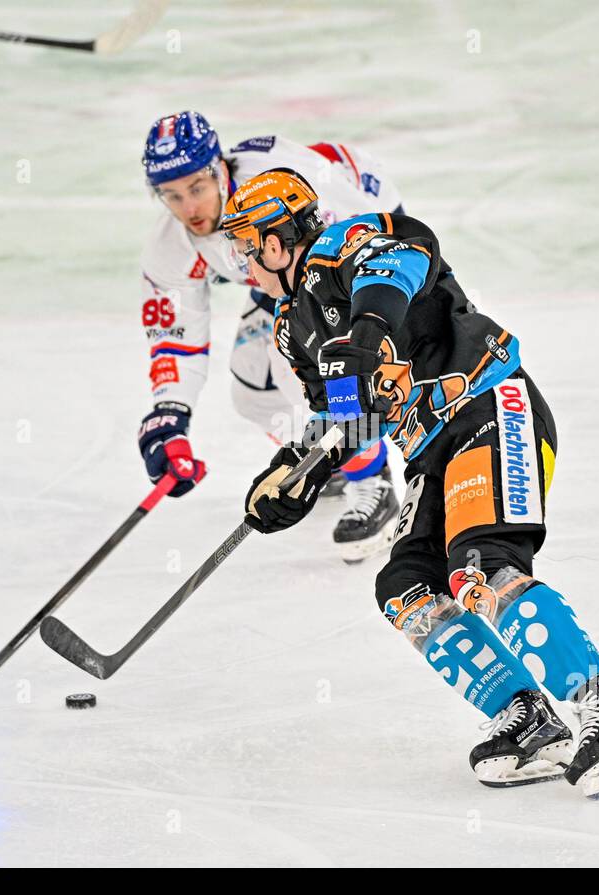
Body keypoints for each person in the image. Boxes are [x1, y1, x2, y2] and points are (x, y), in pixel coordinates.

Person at [222, 168, 599, 797]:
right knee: (404, 584)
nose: (243, 260)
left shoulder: (342, 247)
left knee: (483, 566)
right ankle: (529, 721)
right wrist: (299, 473)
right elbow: (348, 418)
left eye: (248, 243)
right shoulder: (292, 328)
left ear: (278, 239)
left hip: (492, 406)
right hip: (431, 451)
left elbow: (410, 249)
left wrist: (370, 330)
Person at [137, 111, 404, 562]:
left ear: (220, 169)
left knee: (298, 367)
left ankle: (372, 478)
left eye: (198, 189)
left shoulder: (276, 180)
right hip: (279, 275)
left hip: (362, 241)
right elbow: (176, 338)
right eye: (173, 196)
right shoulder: (170, 247)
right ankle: (335, 460)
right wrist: (170, 417)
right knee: (253, 393)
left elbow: (365, 235)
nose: (190, 209)